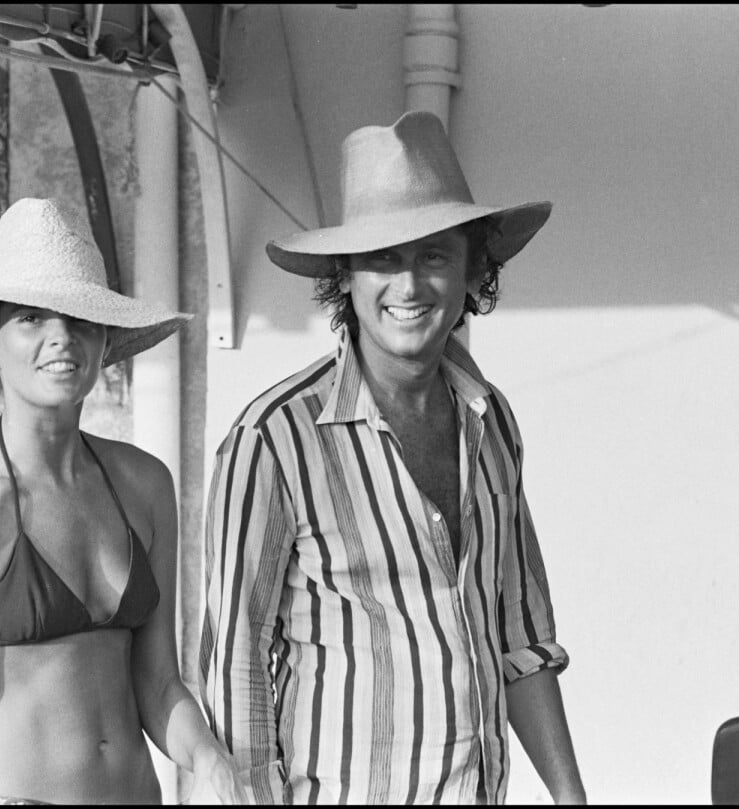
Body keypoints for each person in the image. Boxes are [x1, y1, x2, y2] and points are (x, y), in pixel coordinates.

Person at [198, 111, 586, 805]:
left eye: (434, 254)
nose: (408, 287)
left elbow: (522, 637)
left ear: (474, 271)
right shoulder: (274, 438)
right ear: (344, 278)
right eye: (383, 258)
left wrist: (570, 794)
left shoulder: (489, 420)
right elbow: (235, 668)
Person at [0, 197, 246, 805]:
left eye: (80, 317)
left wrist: (208, 757)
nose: (61, 338)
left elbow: (156, 685)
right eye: (31, 317)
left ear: (106, 338)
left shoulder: (144, 483)